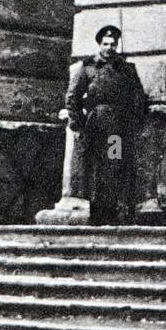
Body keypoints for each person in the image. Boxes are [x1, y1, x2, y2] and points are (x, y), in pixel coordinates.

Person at [65, 25, 149, 226]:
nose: (109, 48)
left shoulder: (126, 69)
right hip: (95, 128)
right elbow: (72, 96)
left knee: (113, 165)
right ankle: (96, 215)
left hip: (117, 130)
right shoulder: (88, 67)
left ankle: (111, 213)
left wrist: (135, 122)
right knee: (95, 169)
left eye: (113, 44)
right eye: (105, 44)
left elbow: (138, 97)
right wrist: (77, 124)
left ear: (117, 45)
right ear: (99, 44)